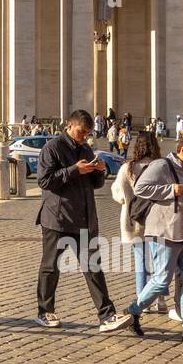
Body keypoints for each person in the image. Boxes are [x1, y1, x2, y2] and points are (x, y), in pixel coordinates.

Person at [33, 110, 130, 333]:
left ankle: (107, 315)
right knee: (51, 267)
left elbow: (94, 184)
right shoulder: (52, 149)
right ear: (69, 126)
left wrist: (100, 171)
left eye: (87, 133)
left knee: (93, 268)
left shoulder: (86, 149)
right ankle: (44, 311)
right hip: (57, 218)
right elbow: (45, 181)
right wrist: (75, 169)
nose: (84, 136)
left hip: (85, 218)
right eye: (81, 132)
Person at [121, 133, 183, 340]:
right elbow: (141, 188)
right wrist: (169, 190)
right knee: (162, 281)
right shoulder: (162, 166)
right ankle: (133, 311)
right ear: (182, 150)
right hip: (165, 233)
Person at [113, 131, 167, 312]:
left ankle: (142, 302)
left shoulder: (128, 168)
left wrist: (127, 200)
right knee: (160, 263)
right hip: (157, 220)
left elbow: (117, 193)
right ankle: (161, 300)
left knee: (140, 263)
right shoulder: (161, 166)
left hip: (134, 221)